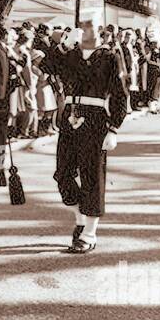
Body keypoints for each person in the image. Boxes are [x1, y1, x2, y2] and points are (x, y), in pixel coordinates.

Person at [45, 20, 129, 254]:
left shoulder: (110, 57)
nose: (85, 31)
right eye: (81, 27)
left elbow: (121, 93)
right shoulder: (70, 55)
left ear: (99, 32)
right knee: (63, 174)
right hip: (70, 118)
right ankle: (81, 219)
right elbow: (46, 66)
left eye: (90, 27)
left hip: (95, 120)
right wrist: (63, 46)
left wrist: (114, 128)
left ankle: (89, 233)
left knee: (92, 177)